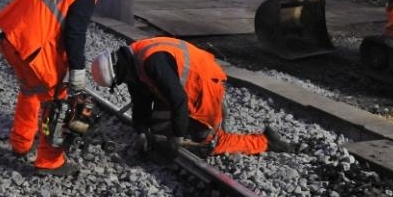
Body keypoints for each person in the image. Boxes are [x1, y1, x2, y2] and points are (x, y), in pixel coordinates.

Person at [0, 0, 116, 176]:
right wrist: (77, 69)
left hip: (10, 39)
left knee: (30, 90)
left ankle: (21, 143)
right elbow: (75, 34)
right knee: (57, 102)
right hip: (33, 50)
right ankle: (49, 162)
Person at [91, 36, 295, 161]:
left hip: (204, 86)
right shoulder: (132, 61)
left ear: (119, 71)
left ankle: (265, 142)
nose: (124, 83)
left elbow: (178, 99)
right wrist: (141, 132)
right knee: (158, 132)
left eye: (120, 81)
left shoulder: (151, 62)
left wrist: (177, 138)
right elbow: (141, 101)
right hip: (181, 87)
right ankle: (190, 128)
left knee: (208, 145)